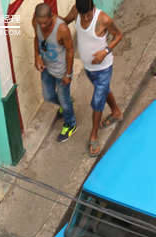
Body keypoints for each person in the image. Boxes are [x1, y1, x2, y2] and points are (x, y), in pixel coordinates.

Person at [64, 0, 124, 157]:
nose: (85, 19)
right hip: (89, 68)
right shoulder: (76, 11)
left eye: (89, 15)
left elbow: (118, 35)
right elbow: (64, 22)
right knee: (103, 90)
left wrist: (105, 51)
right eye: (82, 15)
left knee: (97, 101)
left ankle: (94, 136)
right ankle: (116, 113)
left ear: (94, 8)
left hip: (104, 68)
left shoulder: (103, 19)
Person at [33, 3, 76, 143]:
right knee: (48, 96)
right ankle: (67, 105)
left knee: (64, 99)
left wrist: (68, 74)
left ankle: (70, 124)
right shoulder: (36, 22)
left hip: (61, 71)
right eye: (40, 24)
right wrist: (37, 56)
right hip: (46, 68)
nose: (43, 26)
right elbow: (36, 38)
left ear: (51, 16)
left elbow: (70, 51)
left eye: (45, 23)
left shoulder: (62, 28)